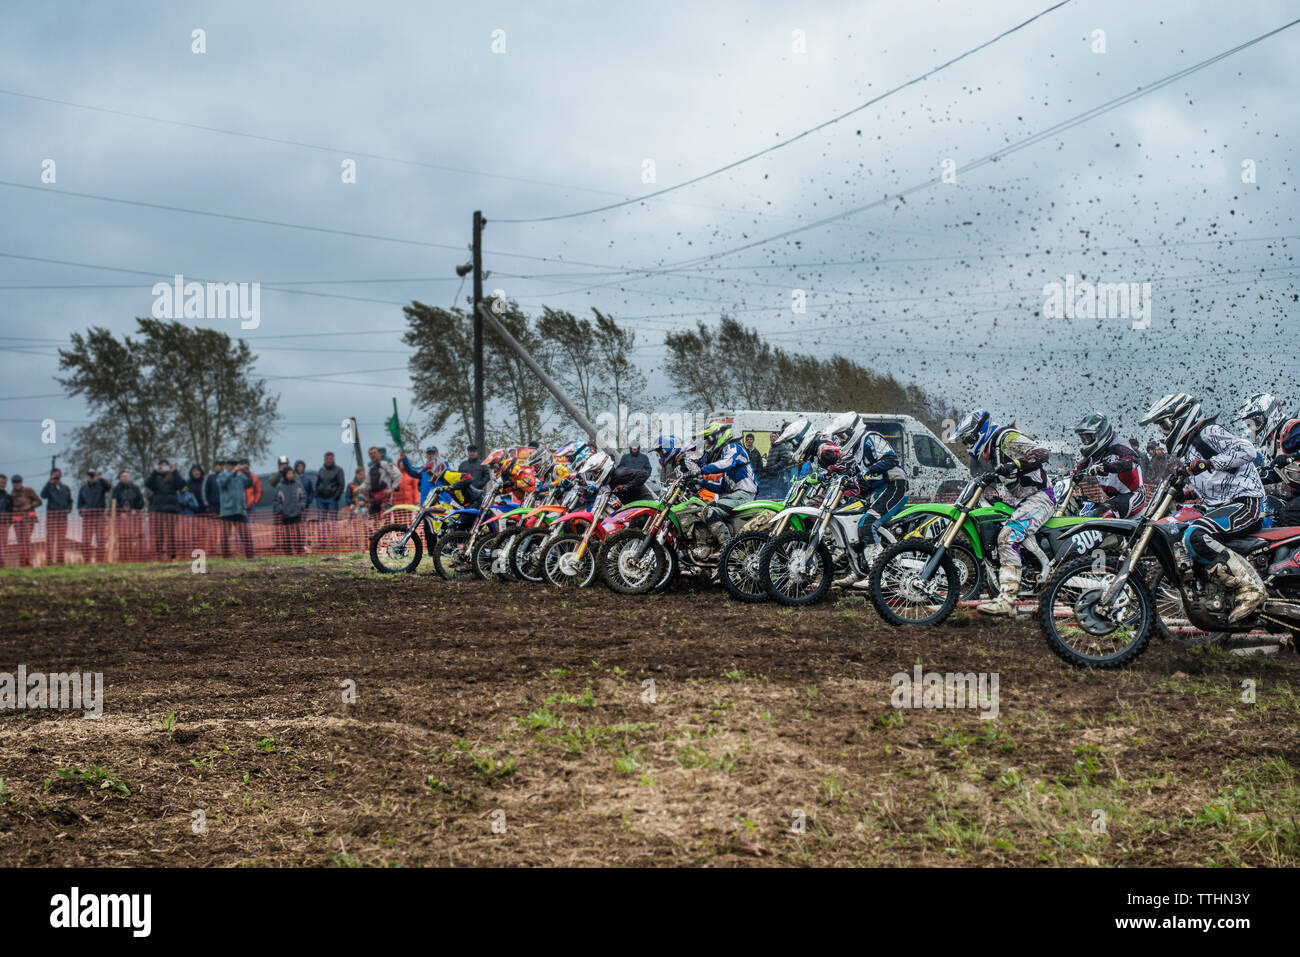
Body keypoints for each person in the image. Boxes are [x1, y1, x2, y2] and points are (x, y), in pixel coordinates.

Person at [1140, 393, 1267, 622]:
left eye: (1164, 424)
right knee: (1182, 534)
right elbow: (1214, 484)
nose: (1163, 432)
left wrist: (1210, 462)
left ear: (1182, 416)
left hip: (1245, 502)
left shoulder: (1208, 433)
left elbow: (1248, 451)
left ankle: (1250, 588)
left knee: (1196, 535)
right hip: (1226, 505)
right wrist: (1186, 493)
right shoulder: (1190, 449)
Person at [955, 409, 1053, 616]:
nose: (966, 444)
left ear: (977, 433)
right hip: (1020, 501)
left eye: (967, 439)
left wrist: (1015, 464)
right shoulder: (989, 452)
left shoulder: (1006, 438)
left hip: (1040, 497)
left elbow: (1043, 453)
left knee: (1008, 537)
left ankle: (1007, 600)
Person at [827, 412, 910, 587]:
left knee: (867, 523)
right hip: (879, 489)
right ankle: (859, 571)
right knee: (854, 525)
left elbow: (891, 458)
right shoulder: (854, 449)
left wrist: (868, 470)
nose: (841, 439)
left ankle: (879, 575)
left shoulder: (870, 437)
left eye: (843, 435)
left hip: (895, 484)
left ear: (852, 430)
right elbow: (847, 468)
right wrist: (830, 473)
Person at [1073, 413, 1147, 518]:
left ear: (1100, 434)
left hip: (1134, 495)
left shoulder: (1118, 446)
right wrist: (1068, 476)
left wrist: (1104, 467)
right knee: (1083, 512)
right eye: (1083, 439)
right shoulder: (1094, 454)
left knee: (1101, 515)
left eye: (1088, 438)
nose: (1085, 442)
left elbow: (1133, 462)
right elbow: (1078, 469)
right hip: (1114, 499)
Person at [695, 423, 757, 547]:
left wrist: (701, 470)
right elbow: (722, 486)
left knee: (709, 511)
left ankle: (727, 548)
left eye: (708, 440)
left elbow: (726, 463)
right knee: (705, 508)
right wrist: (700, 482)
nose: (707, 445)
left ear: (717, 436)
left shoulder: (733, 447)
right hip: (739, 494)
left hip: (743, 494)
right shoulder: (727, 454)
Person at [145, 460, 185, 560]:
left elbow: (182, 485)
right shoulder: (156, 477)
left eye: (165, 466)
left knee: (171, 533)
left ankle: (172, 555)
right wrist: (154, 472)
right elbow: (147, 483)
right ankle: (159, 554)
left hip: (171, 509)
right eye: (161, 466)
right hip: (158, 509)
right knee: (159, 533)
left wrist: (175, 471)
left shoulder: (173, 477)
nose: (164, 468)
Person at [215, 459, 254, 558]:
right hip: (226, 511)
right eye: (231, 465)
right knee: (225, 536)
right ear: (227, 466)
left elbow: (249, 483)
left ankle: (250, 556)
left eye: (235, 465)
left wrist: (248, 472)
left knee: (245, 534)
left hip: (239, 510)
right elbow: (222, 484)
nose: (234, 467)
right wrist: (232, 473)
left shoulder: (241, 477)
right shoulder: (222, 475)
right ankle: (226, 557)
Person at [76, 467, 112, 564]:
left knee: (100, 540)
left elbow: (109, 487)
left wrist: (100, 478)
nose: (91, 477)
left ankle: (100, 560)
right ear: (87, 477)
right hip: (87, 518)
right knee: (86, 541)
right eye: (90, 475)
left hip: (99, 516)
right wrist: (81, 512)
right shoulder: (83, 488)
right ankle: (86, 561)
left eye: (93, 475)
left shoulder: (101, 485)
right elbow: (79, 503)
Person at [40, 468, 73, 565]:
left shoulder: (66, 488)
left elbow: (70, 500)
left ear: (61, 475)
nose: (56, 477)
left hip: (63, 517)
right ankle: (49, 561)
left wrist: (69, 509)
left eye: (58, 475)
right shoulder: (49, 487)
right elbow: (43, 495)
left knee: (61, 539)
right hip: (52, 517)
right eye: (54, 475)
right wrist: (49, 483)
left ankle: (60, 560)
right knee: (50, 538)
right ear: (51, 476)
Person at [110, 470, 145, 561]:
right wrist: (120, 512)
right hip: (121, 519)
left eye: (126, 476)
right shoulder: (116, 489)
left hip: (134, 518)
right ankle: (122, 559)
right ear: (119, 478)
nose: (125, 478)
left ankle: (135, 559)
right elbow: (113, 503)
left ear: (129, 477)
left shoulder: (135, 488)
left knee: (135, 538)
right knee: (123, 539)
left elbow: (141, 501)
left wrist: (135, 509)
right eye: (123, 476)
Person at [273, 466, 307, 554]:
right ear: (285, 475)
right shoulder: (280, 486)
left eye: (292, 473)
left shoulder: (298, 484)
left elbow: (303, 497)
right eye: (288, 473)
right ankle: (288, 552)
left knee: (298, 534)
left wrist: (301, 506)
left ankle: (300, 551)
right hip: (286, 515)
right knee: (286, 535)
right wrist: (281, 510)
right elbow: (276, 501)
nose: (290, 475)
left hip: (296, 513)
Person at [9, 475, 40, 567]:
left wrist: (30, 506)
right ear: (12, 483)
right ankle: (22, 562)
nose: (16, 484)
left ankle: (28, 561)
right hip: (17, 520)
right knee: (20, 540)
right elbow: (10, 506)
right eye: (14, 482)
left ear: (21, 482)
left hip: (28, 519)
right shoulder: (11, 494)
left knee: (26, 539)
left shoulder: (29, 490)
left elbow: (39, 501)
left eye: (18, 482)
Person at [361, 446, 401, 515]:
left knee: (386, 518)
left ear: (380, 454)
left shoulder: (386, 464)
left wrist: (392, 488)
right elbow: (366, 483)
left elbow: (398, 475)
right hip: (374, 499)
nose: (373, 455)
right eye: (370, 454)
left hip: (385, 498)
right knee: (373, 519)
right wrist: (359, 489)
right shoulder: (371, 469)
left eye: (374, 453)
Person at [314, 451, 346, 517]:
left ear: (333, 459)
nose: (328, 461)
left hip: (332, 499)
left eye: (330, 459)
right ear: (324, 460)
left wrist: (335, 497)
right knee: (321, 521)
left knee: (332, 521)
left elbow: (341, 485)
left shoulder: (339, 470)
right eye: (326, 459)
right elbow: (317, 483)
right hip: (320, 499)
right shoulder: (321, 470)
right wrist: (317, 494)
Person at [0, 474, 10, 567]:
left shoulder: (7, 496)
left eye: (4, 482)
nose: (2, 484)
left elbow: (10, 510)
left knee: (3, 544)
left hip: (3, 524)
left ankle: (2, 564)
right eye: (1, 482)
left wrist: (8, 523)